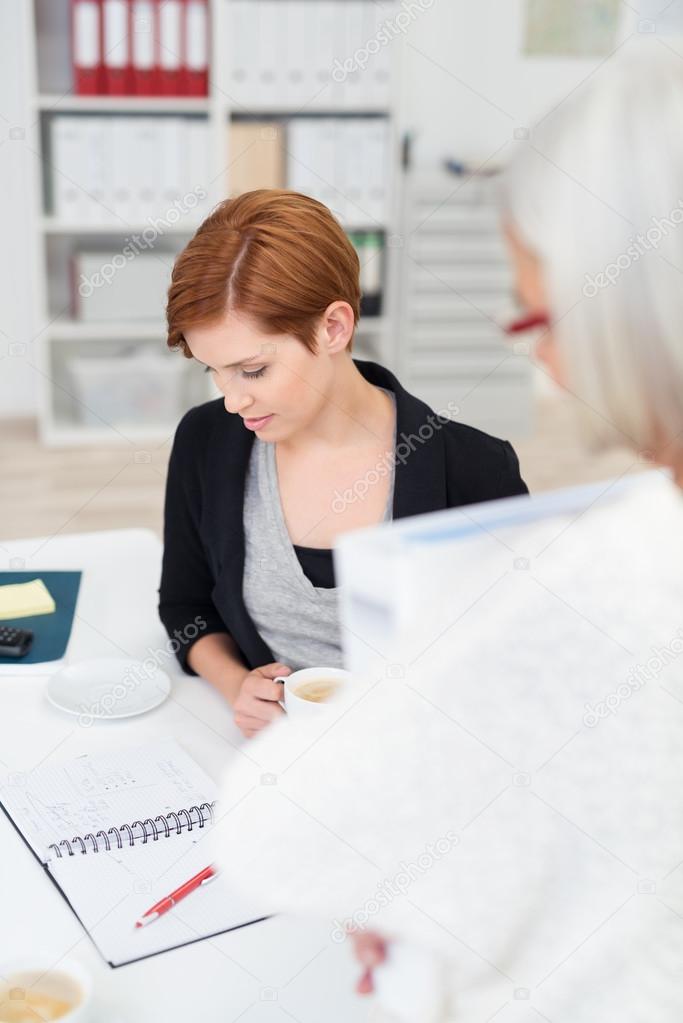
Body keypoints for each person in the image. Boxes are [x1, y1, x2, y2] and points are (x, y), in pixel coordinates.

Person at [211, 44, 683, 1023]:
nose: (544, 359)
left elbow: (286, 834)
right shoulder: (211, 449)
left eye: (533, 315)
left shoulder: (602, 556)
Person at [158, 189, 527, 738]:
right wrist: (238, 684)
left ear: (334, 327)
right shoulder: (207, 440)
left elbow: (513, 652)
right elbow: (186, 606)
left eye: (253, 371)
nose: (233, 402)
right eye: (214, 372)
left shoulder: (476, 470)